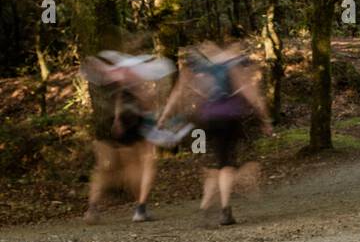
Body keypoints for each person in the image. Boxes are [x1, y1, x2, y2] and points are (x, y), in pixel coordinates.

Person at [160, 38, 270, 226]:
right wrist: (265, 118)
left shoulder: (194, 66)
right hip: (229, 119)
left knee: (209, 165)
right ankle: (225, 210)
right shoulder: (231, 64)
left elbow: (178, 92)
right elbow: (250, 91)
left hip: (203, 121)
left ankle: (204, 207)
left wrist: (165, 116)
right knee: (226, 165)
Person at [81, 48, 175, 224]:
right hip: (131, 124)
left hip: (113, 125)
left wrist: (117, 119)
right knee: (139, 166)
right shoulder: (133, 76)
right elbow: (145, 102)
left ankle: (93, 208)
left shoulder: (116, 76)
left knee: (104, 169)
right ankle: (140, 208)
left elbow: (118, 98)